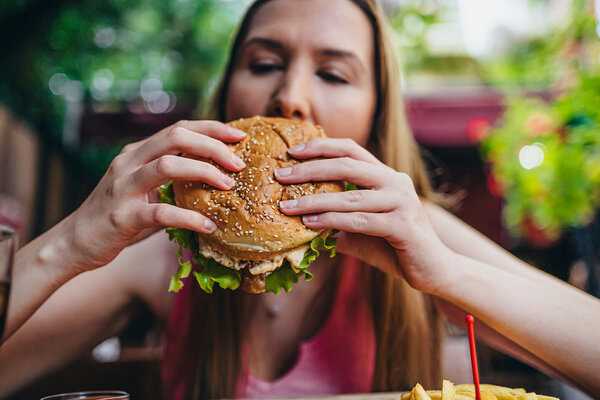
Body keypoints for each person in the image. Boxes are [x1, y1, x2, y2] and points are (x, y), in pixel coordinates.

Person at [2, 0, 599, 398]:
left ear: (374, 120)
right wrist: (72, 243)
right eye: (264, 63)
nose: (289, 95)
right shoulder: (165, 246)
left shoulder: (418, 231)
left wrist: (448, 274)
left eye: (334, 74)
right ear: (229, 94)